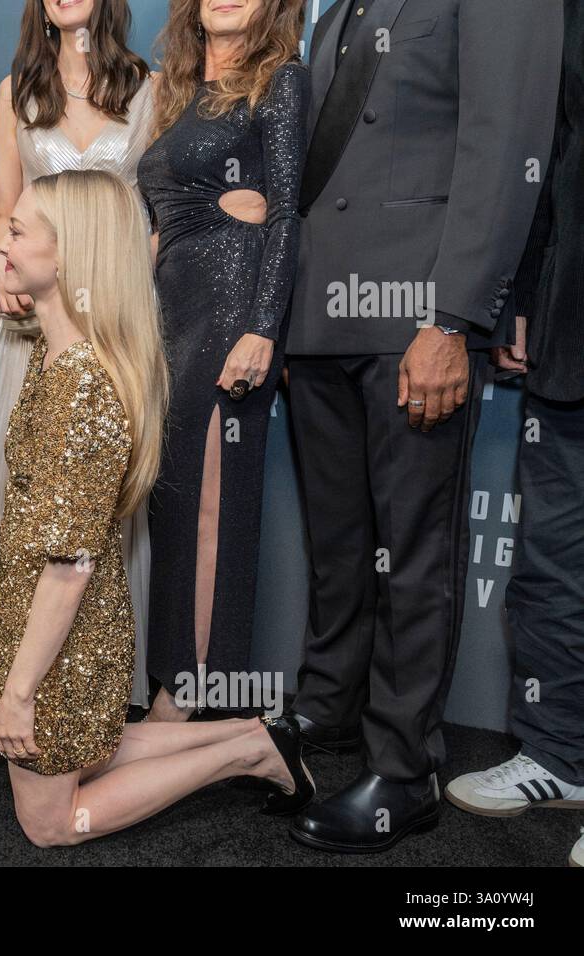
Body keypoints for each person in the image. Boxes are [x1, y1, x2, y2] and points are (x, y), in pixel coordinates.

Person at [284, 0, 563, 854]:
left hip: (416, 321)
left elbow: (505, 140)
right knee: (340, 547)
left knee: (412, 556)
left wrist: (452, 318)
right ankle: (325, 716)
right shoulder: (338, 8)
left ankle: (404, 771)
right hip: (321, 315)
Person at [0, 169, 313, 846]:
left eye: (18, 231)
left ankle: (243, 755)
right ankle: (249, 730)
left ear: (69, 252)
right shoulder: (57, 350)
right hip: (57, 624)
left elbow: (69, 566)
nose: (2, 242)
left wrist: (20, 690)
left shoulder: (82, 386)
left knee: (48, 823)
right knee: (89, 751)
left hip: (64, 637)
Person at [0, 0, 155, 697]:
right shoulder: (20, 89)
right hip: (26, 323)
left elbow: (153, 217)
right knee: (20, 487)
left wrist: (118, 282)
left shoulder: (148, 87)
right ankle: (5, 670)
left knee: (92, 502)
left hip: (111, 323)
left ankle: (89, 678)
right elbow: (1, 210)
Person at [137, 0, 308, 720]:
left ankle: (199, 703)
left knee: (213, 512)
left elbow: (286, 207)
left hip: (234, 317)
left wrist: (265, 326)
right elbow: (163, 219)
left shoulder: (281, 79)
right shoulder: (178, 90)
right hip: (173, 320)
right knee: (173, 511)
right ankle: (172, 684)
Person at [445, 3, 584, 869]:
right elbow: (544, 155)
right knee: (552, 560)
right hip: (567, 333)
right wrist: (521, 295)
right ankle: (562, 757)